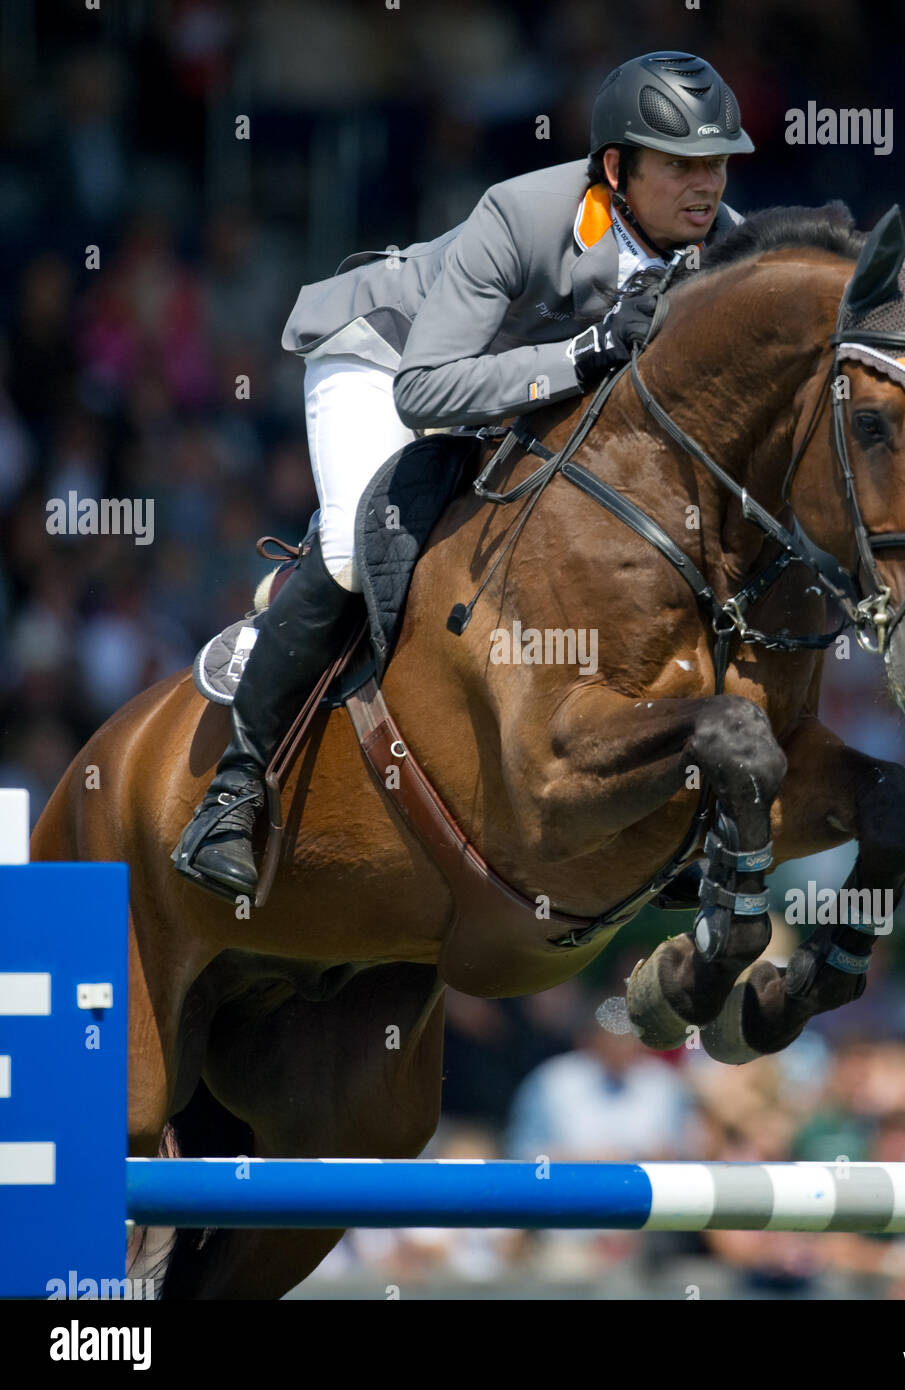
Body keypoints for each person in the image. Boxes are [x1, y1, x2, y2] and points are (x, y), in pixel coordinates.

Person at [172, 51, 754, 900]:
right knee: (348, 552)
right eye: (682, 166)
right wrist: (586, 351)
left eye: (718, 162)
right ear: (619, 168)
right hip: (386, 359)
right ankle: (235, 791)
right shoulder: (523, 215)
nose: (706, 185)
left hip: (511, 399)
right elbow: (425, 390)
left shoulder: (724, 248)